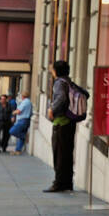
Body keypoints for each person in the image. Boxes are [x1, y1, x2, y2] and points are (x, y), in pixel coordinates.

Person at [44, 59, 87, 193]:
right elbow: (86, 94)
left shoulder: (59, 83)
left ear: (56, 71)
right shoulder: (69, 81)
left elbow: (61, 98)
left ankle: (59, 183)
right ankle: (68, 182)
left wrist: (52, 109)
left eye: (52, 69)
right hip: (70, 123)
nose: (51, 71)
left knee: (59, 154)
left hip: (61, 123)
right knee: (67, 153)